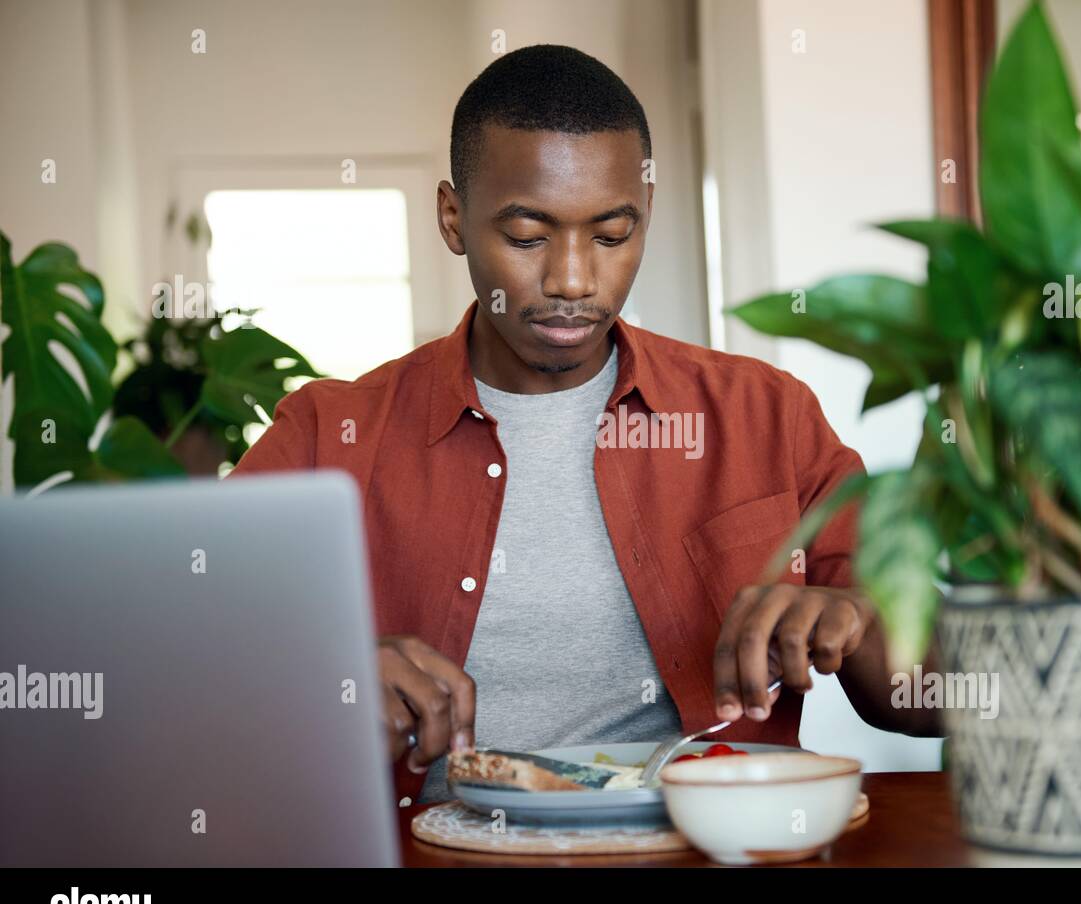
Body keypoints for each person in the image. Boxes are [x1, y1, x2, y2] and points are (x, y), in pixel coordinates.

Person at [230, 44, 939, 804]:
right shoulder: (325, 434)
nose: (573, 279)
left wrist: (857, 621)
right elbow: (176, 666)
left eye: (610, 235)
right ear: (452, 217)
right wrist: (325, 677)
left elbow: (931, 695)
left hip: (705, 850)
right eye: (528, 236)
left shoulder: (769, 416)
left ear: (647, 215)